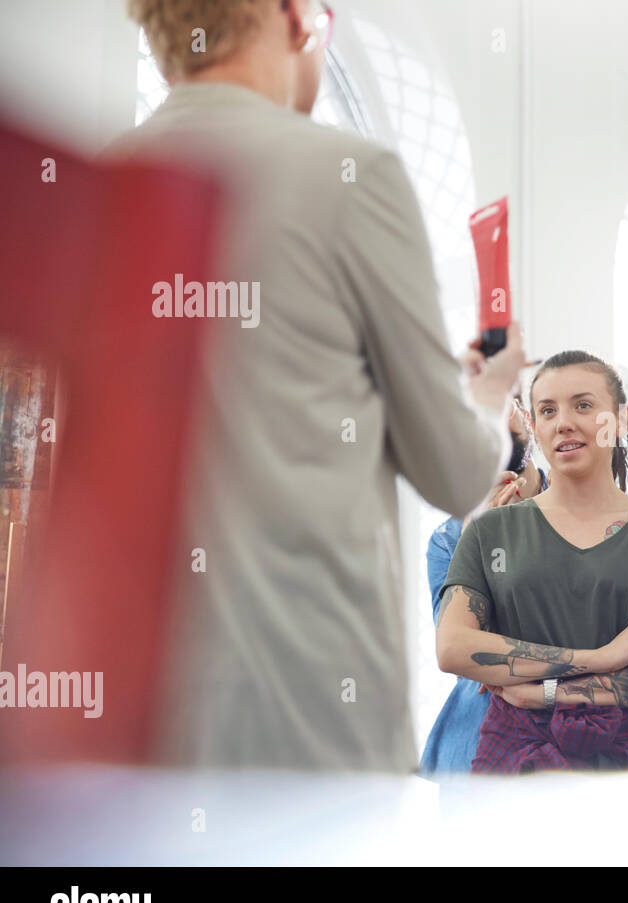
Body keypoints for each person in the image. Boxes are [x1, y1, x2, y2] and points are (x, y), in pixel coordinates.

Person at [112, 0, 525, 771]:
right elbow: (457, 470)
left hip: (131, 694)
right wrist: (490, 394)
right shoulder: (348, 175)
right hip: (304, 695)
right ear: (298, 16)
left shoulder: (103, 180)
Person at [435, 351, 628, 772]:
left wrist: (547, 692)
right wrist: (602, 657)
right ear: (534, 426)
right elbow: (454, 647)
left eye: (583, 405)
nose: (563, 421)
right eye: (547, 410)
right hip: (517, 765)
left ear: (621, 420)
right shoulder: (490, 531)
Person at [420, 398, 547, 776]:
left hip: (574, 737)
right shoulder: (448, 539)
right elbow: (464, 653)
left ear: (526, 414)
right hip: (473, 743)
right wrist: (481, 545)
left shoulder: (584, 514)